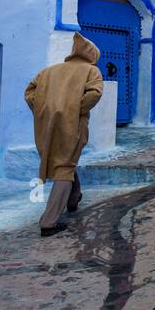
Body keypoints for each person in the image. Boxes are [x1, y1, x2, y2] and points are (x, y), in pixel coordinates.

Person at [24, 33, 104, 236]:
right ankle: (48, 222)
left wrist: (42, 109)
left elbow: (30, 92)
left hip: (46, 123)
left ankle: (73, 197)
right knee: (65, 166)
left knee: (62, 160)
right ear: (92, 54)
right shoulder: (91, 70)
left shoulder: (49, 71)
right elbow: (94, 93)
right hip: (72, 123)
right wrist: (75, 109)